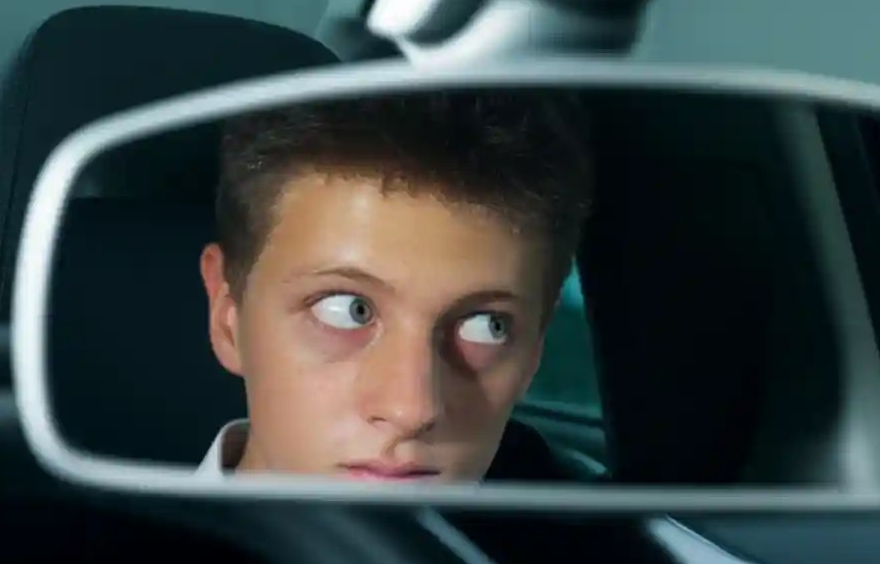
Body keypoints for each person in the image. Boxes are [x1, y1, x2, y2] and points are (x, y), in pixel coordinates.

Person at [195, 91, 593, 483]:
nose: (412, 410)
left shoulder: (593, 537)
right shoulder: (142, 548)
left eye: (487, 325)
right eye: (348, 309)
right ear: (228, 318)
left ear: (535, 351)